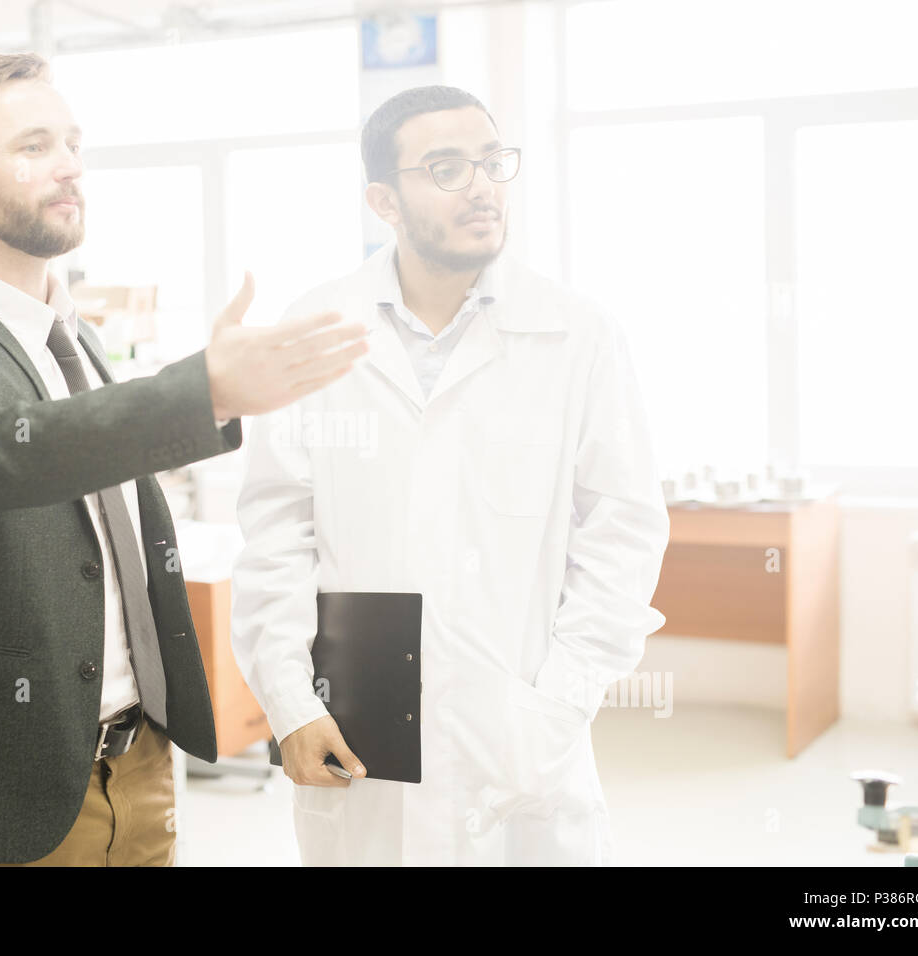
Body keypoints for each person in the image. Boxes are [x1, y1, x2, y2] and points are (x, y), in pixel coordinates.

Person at [0, 52, 368, 866]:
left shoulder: (75, 334)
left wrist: (210, 398)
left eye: (72, 144)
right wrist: (203, 393)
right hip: (2, 784)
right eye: (31, 147)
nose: (67, 168)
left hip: (137, 764)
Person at [231, 85, 670, 866]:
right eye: (445, 168)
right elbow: (276, 536)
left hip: (522, 734)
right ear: (383, 200)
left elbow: (624, 536)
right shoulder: (318, 328)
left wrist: (557, 705)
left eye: (493, 162)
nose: (482, 186)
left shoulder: (577, 333)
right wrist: (291, 704)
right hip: (361, 734)